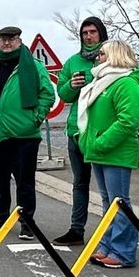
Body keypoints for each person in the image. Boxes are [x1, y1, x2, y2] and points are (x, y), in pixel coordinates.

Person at [0, 26, 57, 240]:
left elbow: (47, 94)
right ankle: (0, 218)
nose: (6, 43)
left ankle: (27, 222)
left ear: (19, 40)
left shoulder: (33, 66)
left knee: (24, 181)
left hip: (23, 135)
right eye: (2, 40)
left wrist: (36, 117)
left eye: (11, 39)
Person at [78, 40, 139, 268]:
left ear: (115, 55)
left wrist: (101, 142)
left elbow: (128, 121)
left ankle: (123, 252)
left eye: (102, 54)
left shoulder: (126, 83)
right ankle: (108, 244)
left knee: (119, 202)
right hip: (101, 150)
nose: (98, 57)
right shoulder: (104, 81)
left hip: (115, 151)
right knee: (109, 202)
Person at [51, 17, 107, 246]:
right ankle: (76, 229)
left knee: (106, 188)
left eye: (93, 32)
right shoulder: (73, 62)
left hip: (101, 130)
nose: (88, 36)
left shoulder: (111, 59)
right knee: (80, 183)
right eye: (84, 33)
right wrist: (71, 86)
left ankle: (109, 233)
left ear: (101, 34)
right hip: (77, 129)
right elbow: (63, 95)